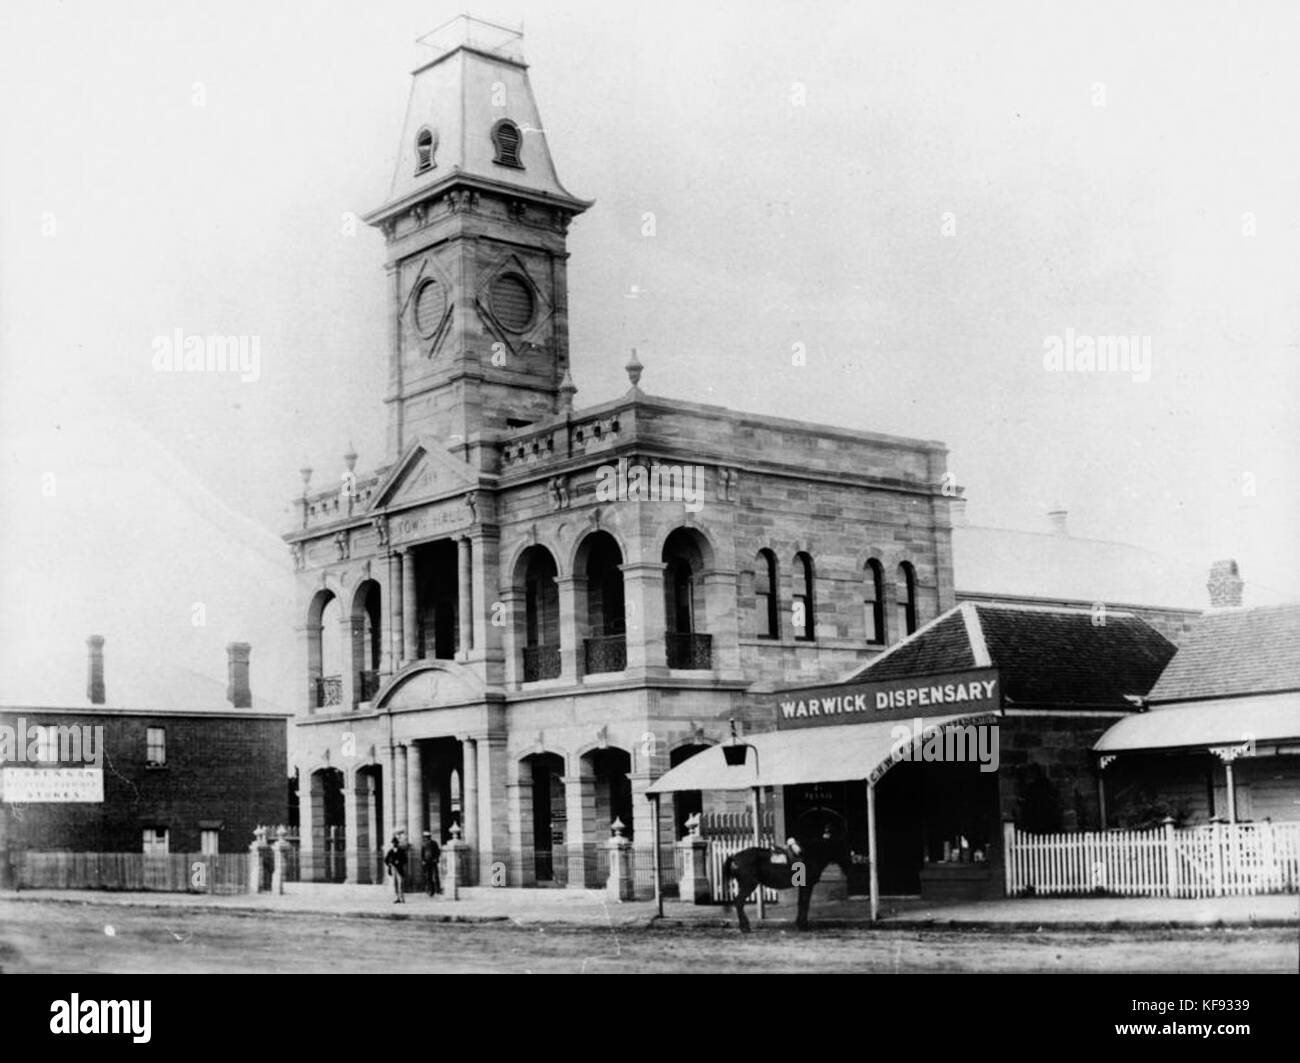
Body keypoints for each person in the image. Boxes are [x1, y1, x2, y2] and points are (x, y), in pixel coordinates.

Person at [384, 832, 407, 903]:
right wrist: (389, 864)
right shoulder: (390, 851)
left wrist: (399, 862)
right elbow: (386, 860)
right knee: (395, 884)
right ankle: (398, 898)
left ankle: (402, 898)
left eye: (395, 843)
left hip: (399, 869)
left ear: (397, 844)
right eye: (393, 843)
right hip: (393, 869)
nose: (394, 844)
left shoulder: (401, 851)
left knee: (400, 884)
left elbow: (405, 860)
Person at [420, 830, 441, 896]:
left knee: (435, 875)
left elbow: (438, 851)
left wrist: (436, 858)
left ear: (429, 837)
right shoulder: (423, 844)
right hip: (427, 862)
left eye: (427, 837)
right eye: (425, 837)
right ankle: (430, 890)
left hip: (433, 861)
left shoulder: (434, 843)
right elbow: (422, 853)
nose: (426, 838)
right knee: (428, 876)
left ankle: (437, 889)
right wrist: (423, 860)